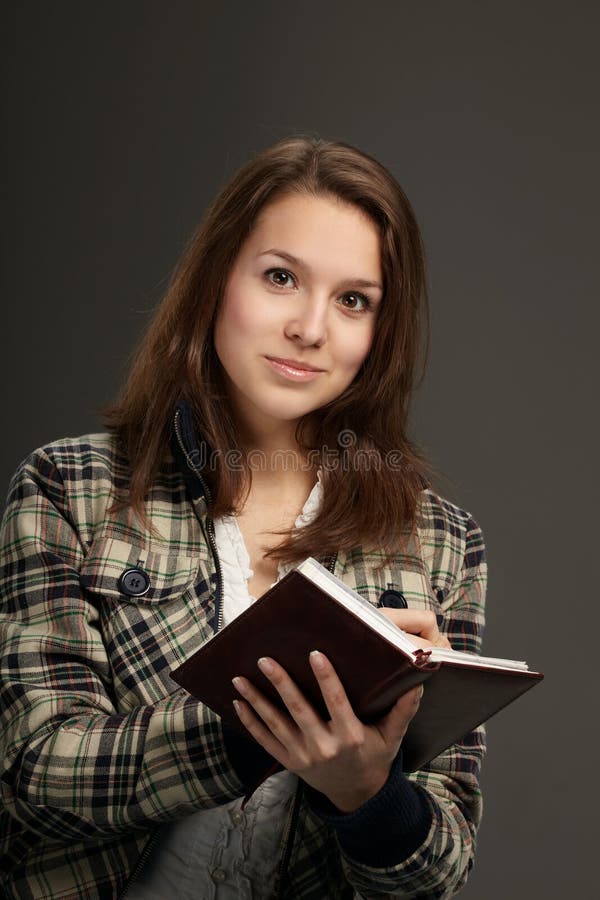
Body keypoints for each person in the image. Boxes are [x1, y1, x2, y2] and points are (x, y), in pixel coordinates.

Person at [0, 136, 487, 899]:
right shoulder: (71, 488)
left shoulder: (442, 542)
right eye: (281, 277)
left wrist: (366, 795)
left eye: (353, 300)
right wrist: (263, 726)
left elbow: (439, 871)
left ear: (380, 331)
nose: (311, 328)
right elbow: (35, 774)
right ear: (217, 278)